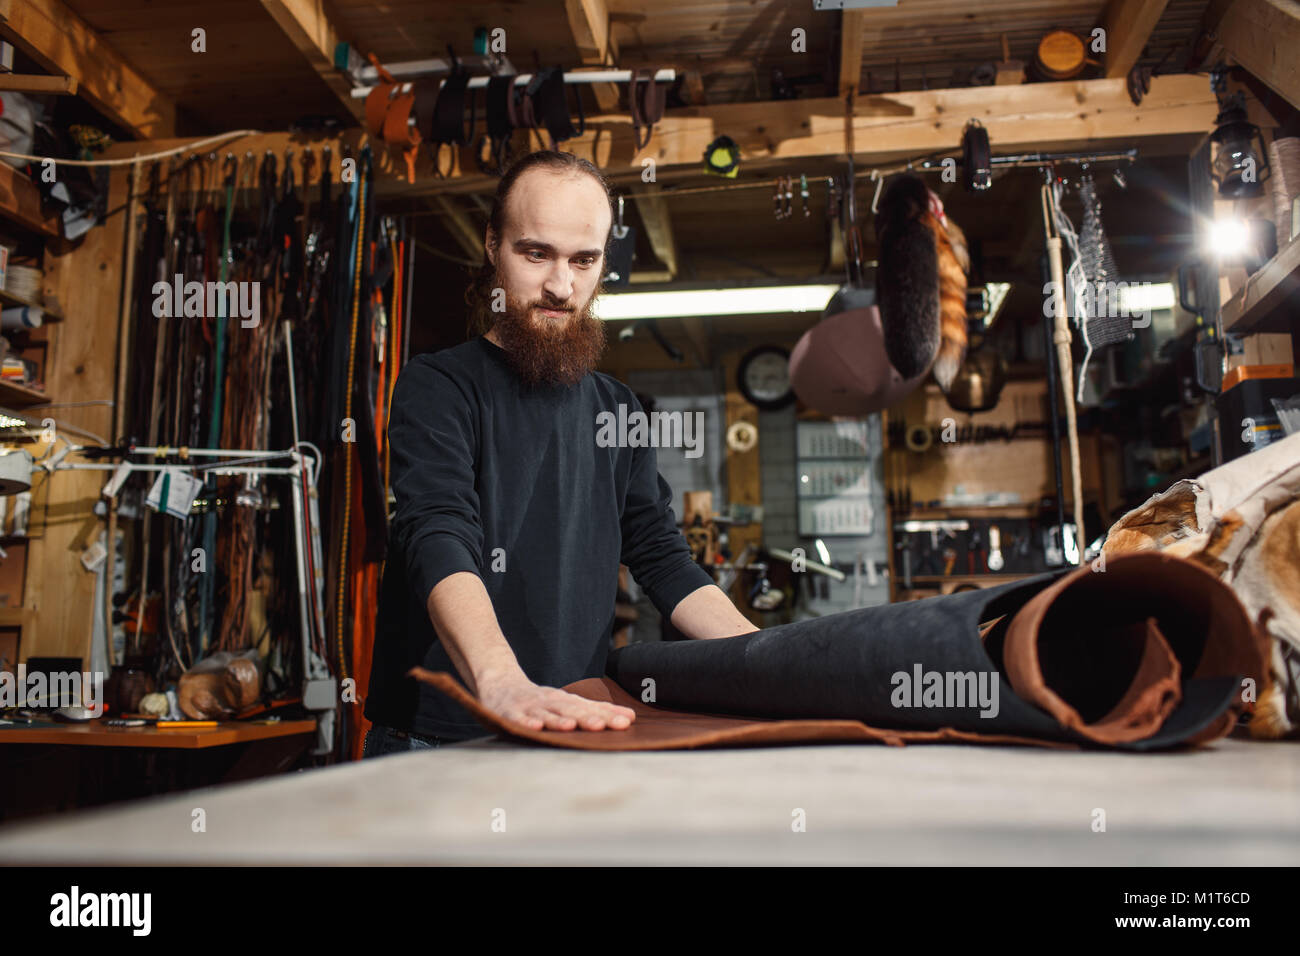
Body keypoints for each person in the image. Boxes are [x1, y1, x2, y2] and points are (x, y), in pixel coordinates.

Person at [362, 150, 758, 757]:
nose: (561, 285)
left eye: (584, 260)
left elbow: (661, 557)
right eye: (535, 253)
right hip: (440, 736)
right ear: (493, 245)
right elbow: (436, 530)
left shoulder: (621, 411)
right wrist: (501, 681)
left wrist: (769, 664)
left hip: (574, 729)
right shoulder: (438, 386)